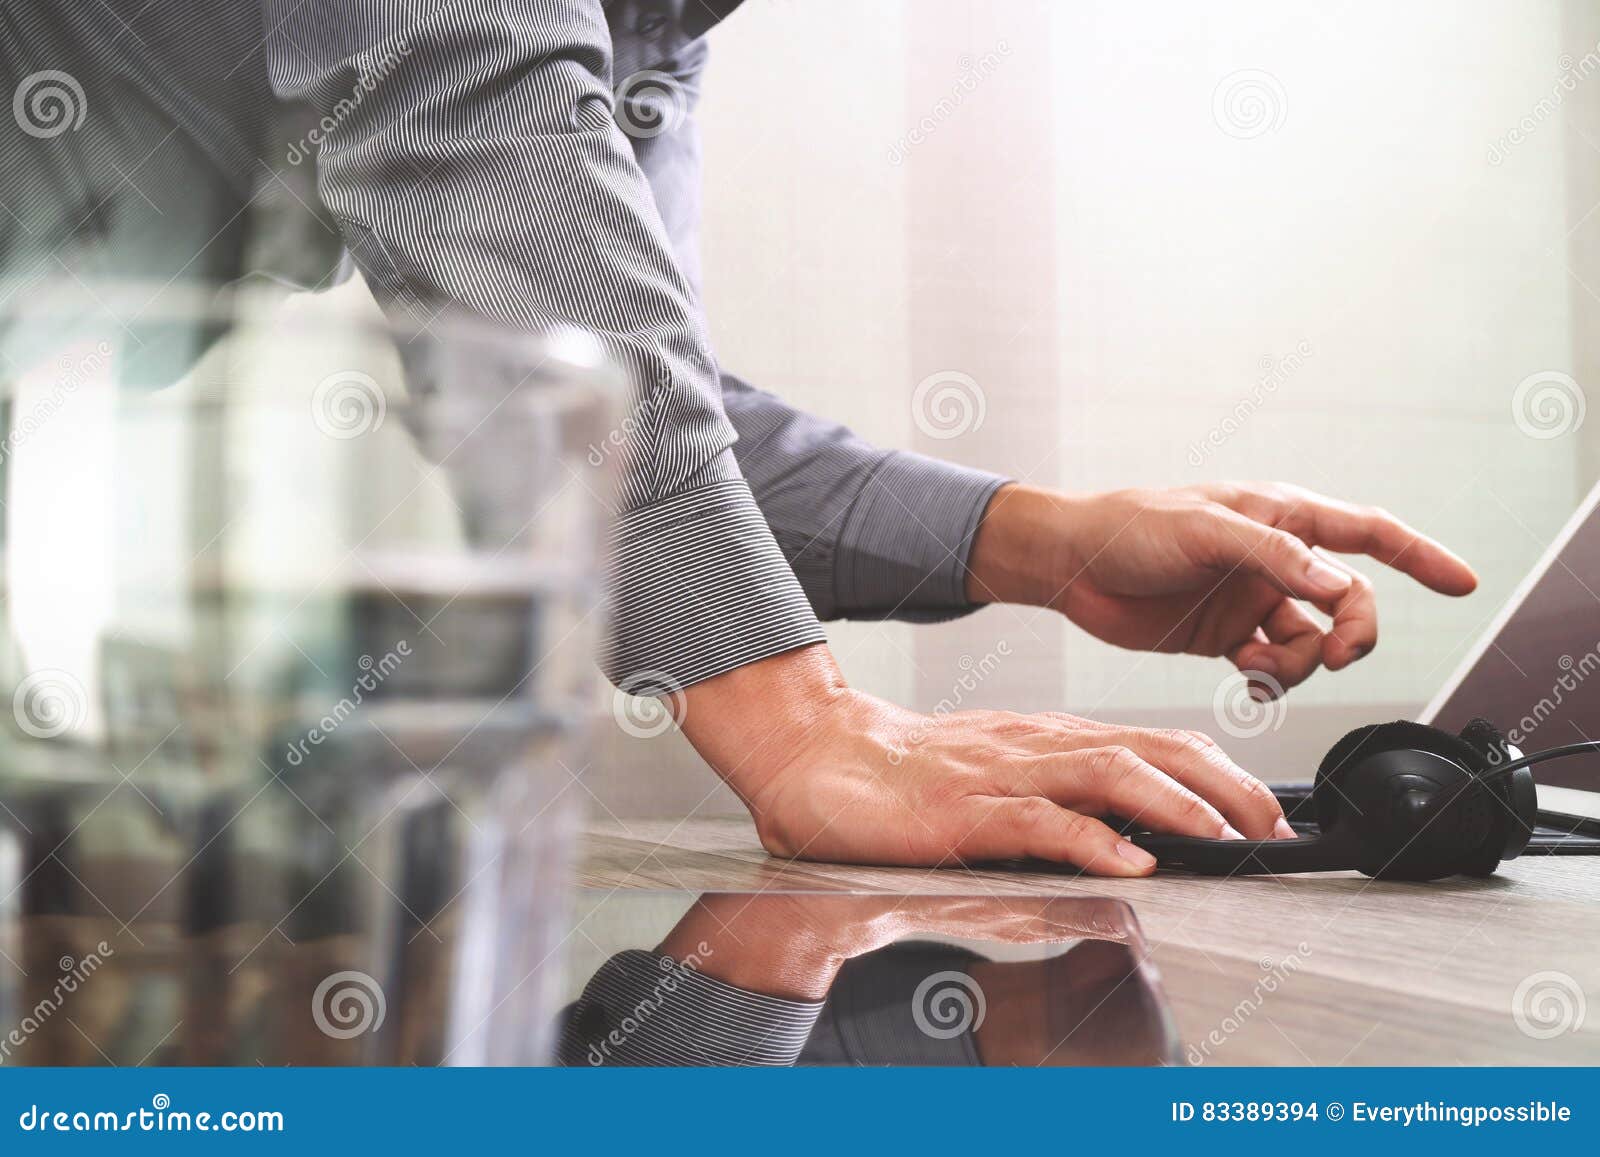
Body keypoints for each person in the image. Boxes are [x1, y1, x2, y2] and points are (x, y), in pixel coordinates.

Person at [2, 0, 1477, 876]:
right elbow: (460, 106)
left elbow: (608, 389)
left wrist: (1036, 539)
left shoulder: (657, 20)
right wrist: (799, 724)